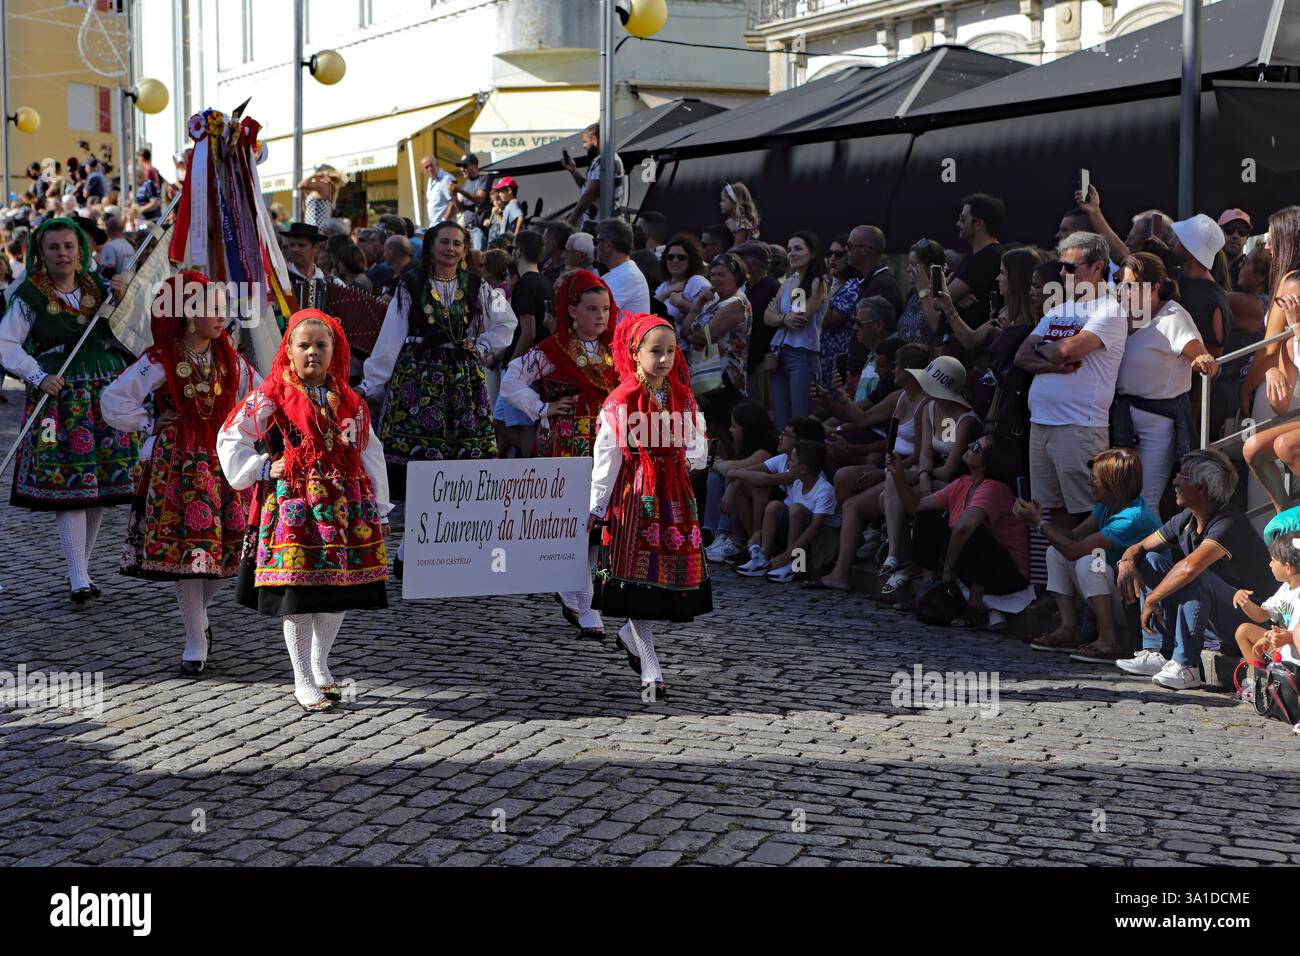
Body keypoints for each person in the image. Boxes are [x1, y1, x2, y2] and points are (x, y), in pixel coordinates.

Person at [217, 310, 391, 713]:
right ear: (290, 352)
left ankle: (321, 664)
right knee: (300, 592)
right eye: (304, 345)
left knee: (336, 591)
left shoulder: (350, 402)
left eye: (321, 345)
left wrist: (379, 506)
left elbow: (370, 451)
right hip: (294, 505)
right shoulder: (272, 396)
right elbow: (231, 435)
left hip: (344, 506)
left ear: (334, 352)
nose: (313, 352)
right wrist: (261, 467)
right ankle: (300, 677)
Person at [101, 273, 260, 674]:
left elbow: (258, 397)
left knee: (236, 544)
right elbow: (114, 399)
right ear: (190, 315)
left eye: (224, 309)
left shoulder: (231, 358)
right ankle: (194, 637)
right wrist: (148, 423)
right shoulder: (160, 359)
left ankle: (198, 616)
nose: (222, 316)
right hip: (179, 463)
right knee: (192, 549)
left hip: (221, 458)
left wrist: (248, 431)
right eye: (214, 309)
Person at [0, 217, 144, 600]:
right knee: (73, 485)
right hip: (61, 398)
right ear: (41, 253)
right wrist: (36, 375)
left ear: (81, 250)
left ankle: (82, 569)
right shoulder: (28, 295)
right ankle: (77, 576)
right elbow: (7, 345)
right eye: (54, 248)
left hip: (105, 395)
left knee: (98, 487)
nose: (62, 253)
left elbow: (131, 330)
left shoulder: (100, 286)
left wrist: (125, 298)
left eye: (68, 246)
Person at [589, 312, 710, 699]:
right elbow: (606, 455)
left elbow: (697, 439)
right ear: (635, 352)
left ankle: (631, 636)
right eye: (655, 351)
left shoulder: (681, 395)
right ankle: (650, 666)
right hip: (636, 495)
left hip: (673, 492)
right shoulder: (622, 400)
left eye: (670, 351)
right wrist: (597, 506)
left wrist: (688, 461)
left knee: (666, 576)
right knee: (638, 579)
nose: (664, 359)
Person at [359, 221, 516, 512]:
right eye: (444, 242)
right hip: (418, 374)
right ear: (431, 246)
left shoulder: (476, 285)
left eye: (457, 243)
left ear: (465, 249)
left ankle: (458, 518)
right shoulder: (412, 283)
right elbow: (391, 335)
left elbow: (506, 321)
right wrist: (372, 381)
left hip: (462, 377)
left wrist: (482, 346)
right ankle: (417, 528)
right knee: (416, 465)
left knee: (463, 458)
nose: (451, 249)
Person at [502, 270, 619, 639]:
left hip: (605, 444)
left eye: (604, 309)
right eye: (591, 309)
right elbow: (511, 380)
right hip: (567, 445)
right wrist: (541, 408)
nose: (600, 316)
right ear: (571, 311)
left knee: (597, 523)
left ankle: (577, 593)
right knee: (575, 523)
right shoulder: (550, 350)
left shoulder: (614, 351)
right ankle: (585, 605)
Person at [1115, 449, 1275, 690]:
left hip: (1250, 619)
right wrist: (1126, 562)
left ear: (1201, 488)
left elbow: (1191, 567)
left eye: (1183, 476)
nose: (1175, 481)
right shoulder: (1186, 518)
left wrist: (1153, 599)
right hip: (1216, 613)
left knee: (1193, 573)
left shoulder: (1229, 522)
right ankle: (1155, 651)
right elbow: (1141, 547)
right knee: (1151, 560)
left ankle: (1186, 665)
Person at [1014, 232, 1127, 530]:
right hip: (1042, 423)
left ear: (1097, 267)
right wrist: (1052, 362)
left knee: (1088, 512)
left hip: (1079, 425)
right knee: (1055, 511)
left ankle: (1089, 573)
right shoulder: (1058, 310)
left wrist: (1051, 353)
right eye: (1061, 266)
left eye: (1070, 267)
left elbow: (1065, 350)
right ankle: (1062, 575)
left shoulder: (1110, 310)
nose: (1062, 274)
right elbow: (1021, 357)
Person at [1013, 447, 1160, 660]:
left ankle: (1109, 639)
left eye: (1095, 478)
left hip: (1139, 606)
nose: (1089, 482)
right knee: (1056, 552)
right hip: (1123, 595)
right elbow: (1073, 536)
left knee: (1089, 562)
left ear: (1113, 484)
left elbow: (1074, 551)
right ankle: (1068, 627)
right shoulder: (1108, 506)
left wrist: (1038, 523)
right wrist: (1037, 518)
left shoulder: (1131, 518)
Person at [890, 430, 1028, 628]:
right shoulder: (962, 483)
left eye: (977, 448)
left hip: (1008, 574)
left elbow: (965, 528)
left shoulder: (993, 488)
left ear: (987, 461)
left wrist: (948, 571)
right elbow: (914, 507)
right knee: (928, 517)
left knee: (972, 530)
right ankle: (929, 590)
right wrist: (897, 473)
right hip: (975, 566)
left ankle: (975, 606)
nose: (970, 446)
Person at [1111, 252, 1215, 514]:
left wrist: (1202, 359)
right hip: (1120, 418)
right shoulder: (1117, 313)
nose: (1124, 291)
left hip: (1157, 424)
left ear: (1155, 287)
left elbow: (1198, 352)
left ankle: (1150, 556)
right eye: (1120, 284)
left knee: (1146, 501)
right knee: (1120, 500)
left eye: (1131, 286)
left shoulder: (1173, 316)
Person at [1238, 207, 1300, 513]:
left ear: (1288, 239)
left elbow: (1269, 347)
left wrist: (1245, 389)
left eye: (1271, 237)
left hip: (1280, 390)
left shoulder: (1290, 281)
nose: (1265, 245)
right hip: (1289, 382)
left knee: (1260, 490)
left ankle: (1274, 549)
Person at [737, 440, 840, 584]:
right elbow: (783, 511)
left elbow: (814, 528)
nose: (788, 464)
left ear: (803, 468)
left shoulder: (824, 490)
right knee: (774, 506)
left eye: (792, 460)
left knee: (796, 510)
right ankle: (763, 559)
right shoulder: (798, 483)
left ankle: (793, 564)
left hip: (821, 542)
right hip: (801, 539)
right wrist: (758, 534)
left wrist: (786, 555)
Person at [492, 229, 554, 457]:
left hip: (525, 366)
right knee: (500, 421)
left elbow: (528, 331)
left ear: (519, 251)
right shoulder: (545, 282)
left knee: (524, 425)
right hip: (535, 363)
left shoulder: (525, 285)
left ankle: (527, 471)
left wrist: (513, 365)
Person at [682, 252, 752, 440]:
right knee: (708, 427)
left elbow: (705, 336)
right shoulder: (715, 303)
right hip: (707, 373)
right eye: (712, 275)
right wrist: (698, 304)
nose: (715, 279)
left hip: (726, 377)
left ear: (736, 276)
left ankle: (720, 464)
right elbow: (685, 331)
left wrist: (691, 337)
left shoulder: (736, 303)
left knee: (721, 428)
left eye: (721, 274)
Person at [764, 231, 828, 430]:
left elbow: (798, 318)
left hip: (802, 355)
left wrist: (778, 317)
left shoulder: (817, 282)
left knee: (800, 421)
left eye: (798, 248)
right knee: (781, 423)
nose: (791, 253)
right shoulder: (787, 284)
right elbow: (767, 317)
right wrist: (782, 318)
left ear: (813, 253)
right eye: (789, 249)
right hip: (779, 356)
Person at [702, 402, 778, 563]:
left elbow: (732, 469)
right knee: (715, 476)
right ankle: (720, 536)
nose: (730, 430)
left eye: (735, 426)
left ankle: (735, 538)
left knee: (732, 478)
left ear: (748, 428)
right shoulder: (744, 448)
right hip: (746, 497)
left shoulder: (765, 451)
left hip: (769, 504)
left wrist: (717, 464)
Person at [1232, 536, 1300, 703]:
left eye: (1273, 560)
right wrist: (1245, 602)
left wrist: (1290, 637)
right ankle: (1260, 683)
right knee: (1244, 631)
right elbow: (1262, 615)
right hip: (1282, 645)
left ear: (1288, 567)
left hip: (1295, 652)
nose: (1269, 564)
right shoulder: (1285, 588)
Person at [734, 240, 781, 411]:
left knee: (758, 412)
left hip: (761, 364)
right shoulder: (746, 288)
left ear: (752, 264)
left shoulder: (772, 288)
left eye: (737, 262)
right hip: (745, 364)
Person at [947, 193, 1005, 317]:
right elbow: (947, 297)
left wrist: (924, 287)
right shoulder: (976, 257)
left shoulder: (987, 258)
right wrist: (955, 298)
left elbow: (942, 300)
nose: (958, 224)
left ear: (978, 224)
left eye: (963, 219)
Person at [563, 124, 623, 232]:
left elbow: (589, 194)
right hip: (597, 226)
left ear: (595, 140)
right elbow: (586, 186)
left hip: (600, 228)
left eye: (585, 142)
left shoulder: (604, 161)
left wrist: (570, 221)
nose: (583, 146)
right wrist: (573, 170)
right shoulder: (600, 161)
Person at [654, 233, 711, 337]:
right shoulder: (665, 285)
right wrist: (666, 293)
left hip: (686, 349)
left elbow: (710, 314)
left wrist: (680, 302)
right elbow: (650, 310)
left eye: (681, 257)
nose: (675, 260)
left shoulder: (697, 282)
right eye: (670, 257)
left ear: (691, 260)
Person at [897, 239, 948, 347]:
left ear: (931, 267)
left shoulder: (942, 293)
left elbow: (936, 326)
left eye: (913, 264)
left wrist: (923, 290)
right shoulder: (912, 294)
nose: (908, 269)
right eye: (908, 263)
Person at [595, 218, 649, 317]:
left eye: (596, 241)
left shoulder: (628, 276)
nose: (595, 246)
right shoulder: (623, 273)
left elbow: (592, 312)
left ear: (607, 245)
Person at [449, 153, 489, 250]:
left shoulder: (483, 178)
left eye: (465, 166)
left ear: (474, 165)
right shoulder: (466, 183)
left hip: (478, 229)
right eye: (461, 166)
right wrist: (453, 195)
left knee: (478, 259)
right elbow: (462, 209)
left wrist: (460, 190)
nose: (462, 169)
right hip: (466, 230)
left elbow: (480, 199)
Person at [1219, 208, 1253, 287]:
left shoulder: (1251, 271)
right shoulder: (1207, 266)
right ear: (1219, 232)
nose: (1236, 236)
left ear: (1247, 238)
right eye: (1229, 230)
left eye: (1242, 231)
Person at [421, 155, 455, 226]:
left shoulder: (446, 179)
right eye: (426, 167)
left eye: (431, 165)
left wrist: (444, 220)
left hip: (445, 226)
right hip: (434, 225)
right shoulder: (430, 180)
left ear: (437, 164)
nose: (429, 169)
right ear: (423, 170)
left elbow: (453, 201)